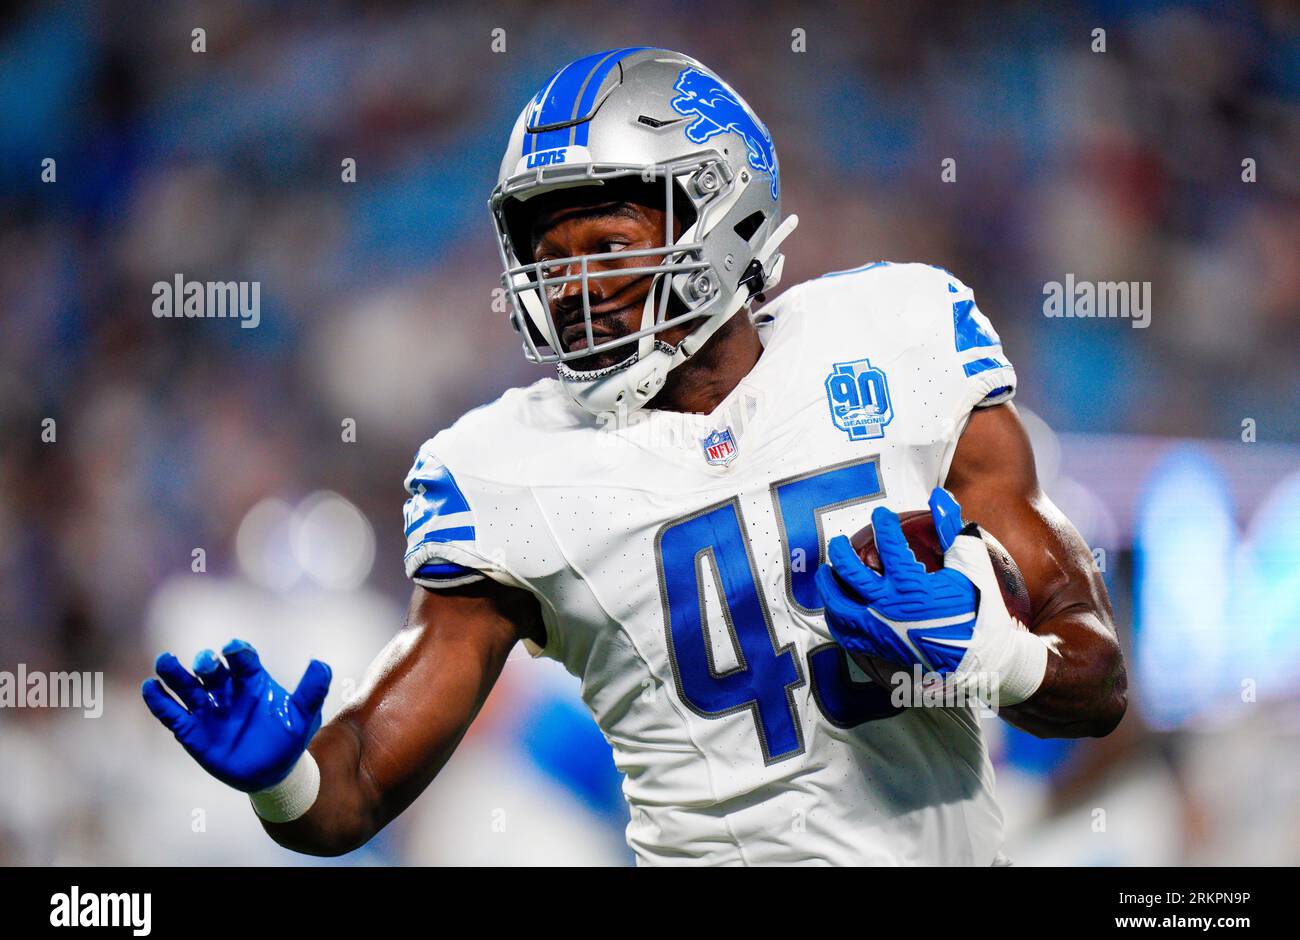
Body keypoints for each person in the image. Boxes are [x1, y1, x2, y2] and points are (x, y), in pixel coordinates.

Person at [143, 48, 1125, 865]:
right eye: (548, 256)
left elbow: (1097, 681)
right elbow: (352, 787)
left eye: (605, 244)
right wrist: (282, 775)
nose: (571, 286)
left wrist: (988, 653)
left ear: (723, 212)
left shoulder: (899, 334)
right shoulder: (506, 470)